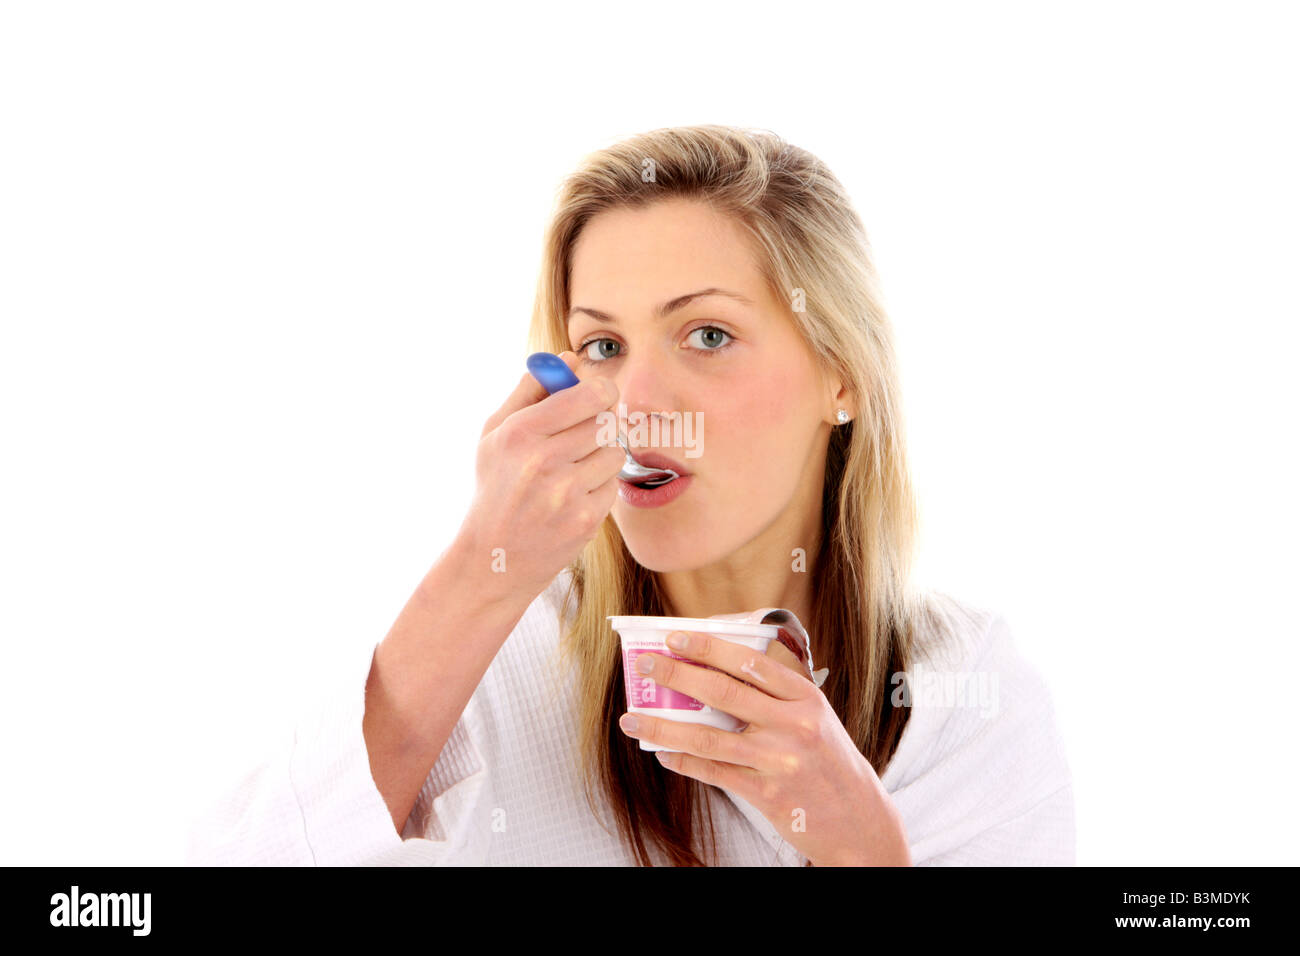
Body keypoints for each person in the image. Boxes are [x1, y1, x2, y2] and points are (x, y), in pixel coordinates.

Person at [187, 125, 1075, 866]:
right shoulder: (500, 670)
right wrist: (480, 571)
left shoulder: (963, 697)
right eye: (602, 348)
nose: (637, 405)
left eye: (708, 334)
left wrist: (863, 850)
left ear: (841, 376)